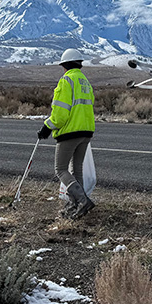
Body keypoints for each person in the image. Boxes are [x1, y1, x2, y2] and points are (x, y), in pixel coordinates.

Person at [38, 48, 96, 219]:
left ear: (65, 65)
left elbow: (60, 114)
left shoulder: (66, 81)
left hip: (70, 132)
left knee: (61, 169)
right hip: (86, 131)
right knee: (76, 169)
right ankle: (76, 204)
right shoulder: (85, 82)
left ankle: (83, 201)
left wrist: (47, 126)